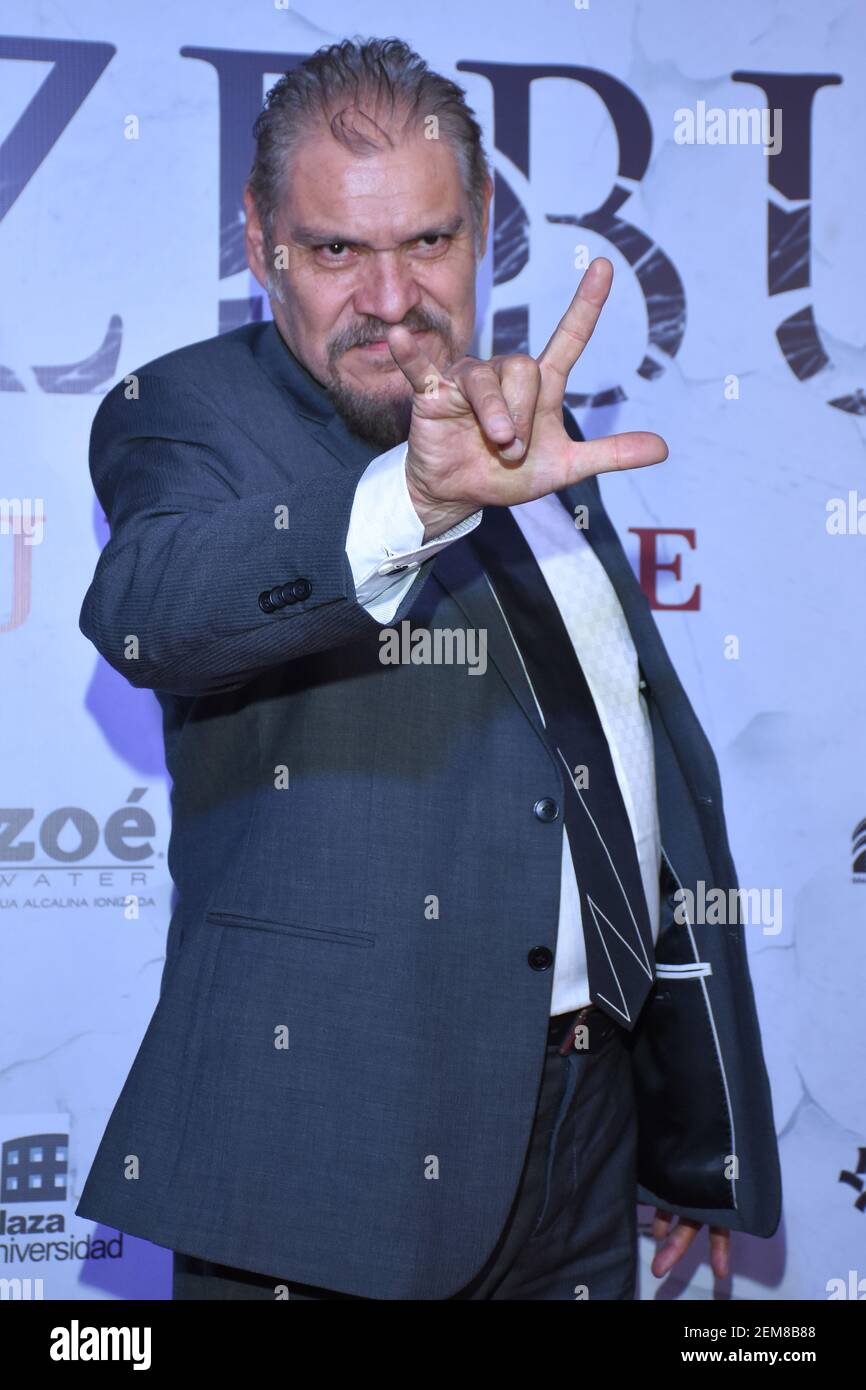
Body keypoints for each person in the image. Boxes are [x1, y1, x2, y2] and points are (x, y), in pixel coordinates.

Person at [75, 36, 781, 1300]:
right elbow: (148, 610)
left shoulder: (528, 419)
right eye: (335, 250)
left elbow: (623, 772)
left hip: (581, 1136)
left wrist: (694, 1138)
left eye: (429, 240)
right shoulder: (184, 412)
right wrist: (411, 498)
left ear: (485, 224)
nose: (392, 297)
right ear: (260, 241)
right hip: (320, 1159)